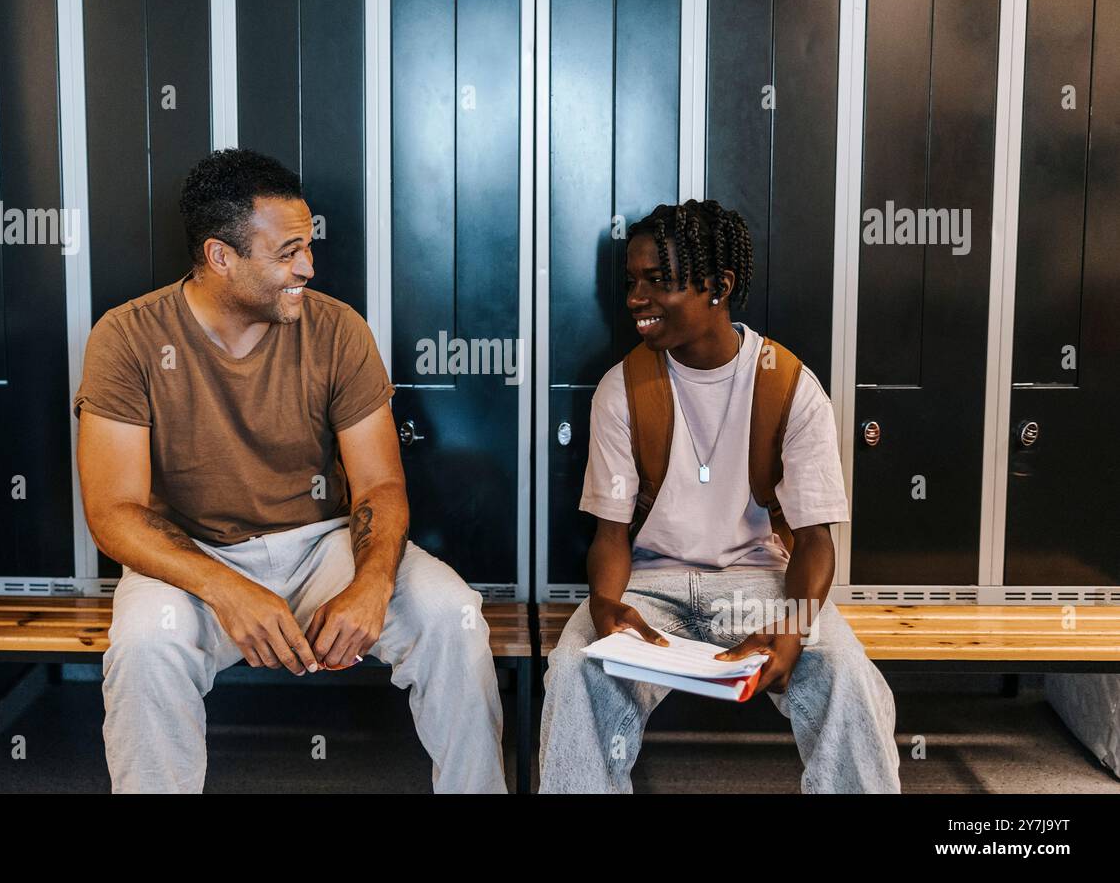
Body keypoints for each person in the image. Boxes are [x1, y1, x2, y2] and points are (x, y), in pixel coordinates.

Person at [73, 148, 506, 793]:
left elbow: (380, 485)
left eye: (308, 247)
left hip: (322, 546)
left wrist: (372, 585)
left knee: (454, 615)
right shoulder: (128, 336)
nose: (308, 266)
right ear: (221, 257)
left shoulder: (337, 329)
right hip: (191, 557)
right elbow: (113, 514)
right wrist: (227, 588)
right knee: (144, 648)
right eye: (288, 252)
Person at [538, 199, 900, 793]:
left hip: (760, 582)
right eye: (632, 282)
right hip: (649, 584)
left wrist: (794, 625)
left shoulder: (790, 386)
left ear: (718, 286)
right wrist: (606, 608)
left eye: (658, 282)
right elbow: (609, 535)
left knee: (844, 674)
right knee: (577, 672)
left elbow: (814, 542)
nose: (635, 300)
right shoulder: (622, 390)